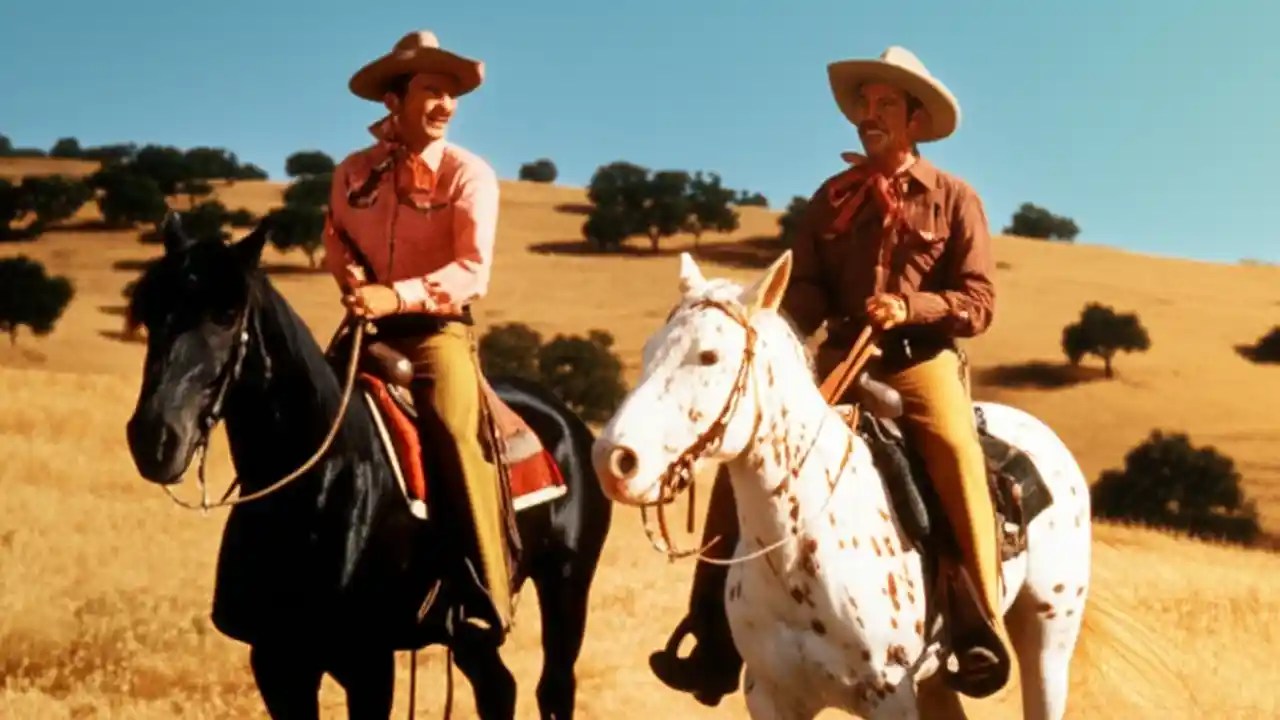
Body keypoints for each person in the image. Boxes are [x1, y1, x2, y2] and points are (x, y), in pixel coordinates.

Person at [651, 45, 1009, 704]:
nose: (868, 117)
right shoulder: (832, 198)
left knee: (955, 452)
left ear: (915, 119)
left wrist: (910, 307)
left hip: (918, 363)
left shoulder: (955, 198)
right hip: (837, 360)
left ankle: (978, 625)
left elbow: (978, 303)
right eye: (863, 106)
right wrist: (765, 328)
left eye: (883, 106)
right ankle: (709, 630)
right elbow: (807, 291)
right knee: (747, 457)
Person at [321, 29, 515, 642]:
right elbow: (337, 238)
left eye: (452, 94)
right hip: (367, 324)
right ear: (394, 101)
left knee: (456, 432)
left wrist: (395, 294)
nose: (445, 105)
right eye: (432, 91)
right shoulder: (352, 173)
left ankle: (486, 595)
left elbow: (471, 271)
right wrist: (353, 281)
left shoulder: (469, 175)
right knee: (300, 411)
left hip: (437, 333)